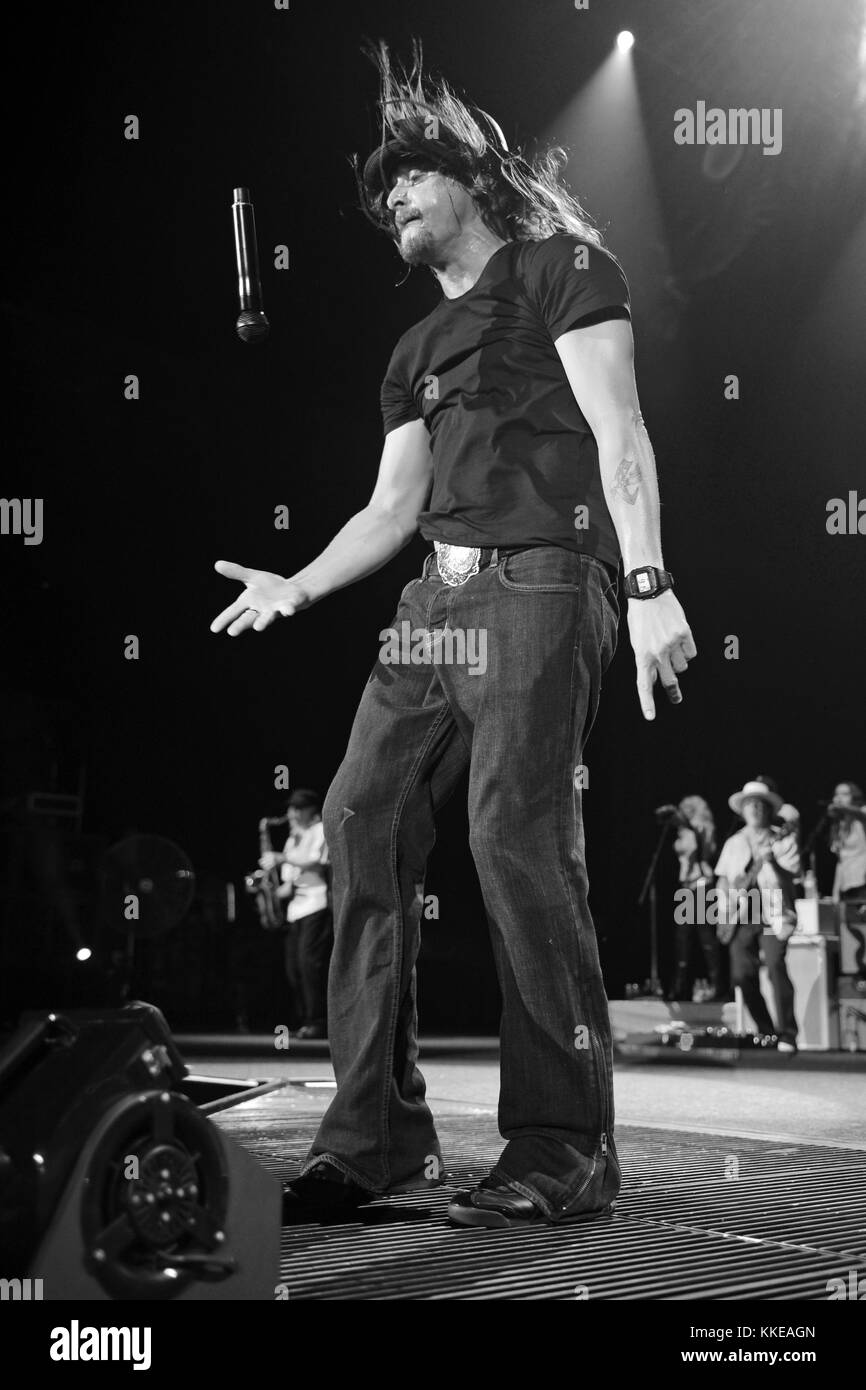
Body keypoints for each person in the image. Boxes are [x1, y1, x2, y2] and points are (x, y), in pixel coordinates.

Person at [210, 40, 695, 1228]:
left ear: (466, 175)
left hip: (540, 584)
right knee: (356, 815)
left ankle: (563, 1147)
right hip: (434, 604)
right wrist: (300, 584)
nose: (390, 206)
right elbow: (388, 510)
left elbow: (619, 433)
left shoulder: (558, 270)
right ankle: (373, 1139)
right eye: (377, 198)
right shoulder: (409, 353)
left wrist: (647, 586)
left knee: (513, 832)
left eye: (407, 182)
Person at [714, 779, 799, 1052]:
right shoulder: (734, 842)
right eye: (750, 804)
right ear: (743, 809)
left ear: (768, 809)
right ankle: (767, 1032)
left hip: (773, 913)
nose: (755, 809)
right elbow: (724, 881)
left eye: (760, 804)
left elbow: (793, 873)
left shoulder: (782, 837)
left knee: (775, 967)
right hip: (741, 917)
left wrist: (771, 860)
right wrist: (723, 911)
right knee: (741, 975)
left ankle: (788, 1033)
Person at [260, 789, 332, 1039]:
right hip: (295, 910)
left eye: (298, 808)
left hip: (316, 903)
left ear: (312, 810)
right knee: (294, 969)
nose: (291, 813)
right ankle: (305, 1020)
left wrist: (281, 858)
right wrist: (266, 890)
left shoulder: (319, 830)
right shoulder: (293, 840)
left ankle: (319, 1021)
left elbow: (317, 863)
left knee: (310, 964)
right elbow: (289, 885)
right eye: (291, 808)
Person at [670, 795, 721, 1002]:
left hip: (702, 883)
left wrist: (687, 828)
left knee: (705, 935)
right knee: (683, 937)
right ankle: (680, 984)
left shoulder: (701, 827)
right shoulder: (684, 830)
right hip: (687, 884)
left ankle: (717, 984)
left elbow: (695, 849)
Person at [827, 781, 866, 906]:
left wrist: (841, 807)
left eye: (844, 794)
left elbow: (861, 813)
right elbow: (841, 861)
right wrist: (835, 893)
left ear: (854, 797)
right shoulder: (839, 824)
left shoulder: (860, 815)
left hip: (862, 881)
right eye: (836, 794)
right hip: (846, 884)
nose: (839, 798)